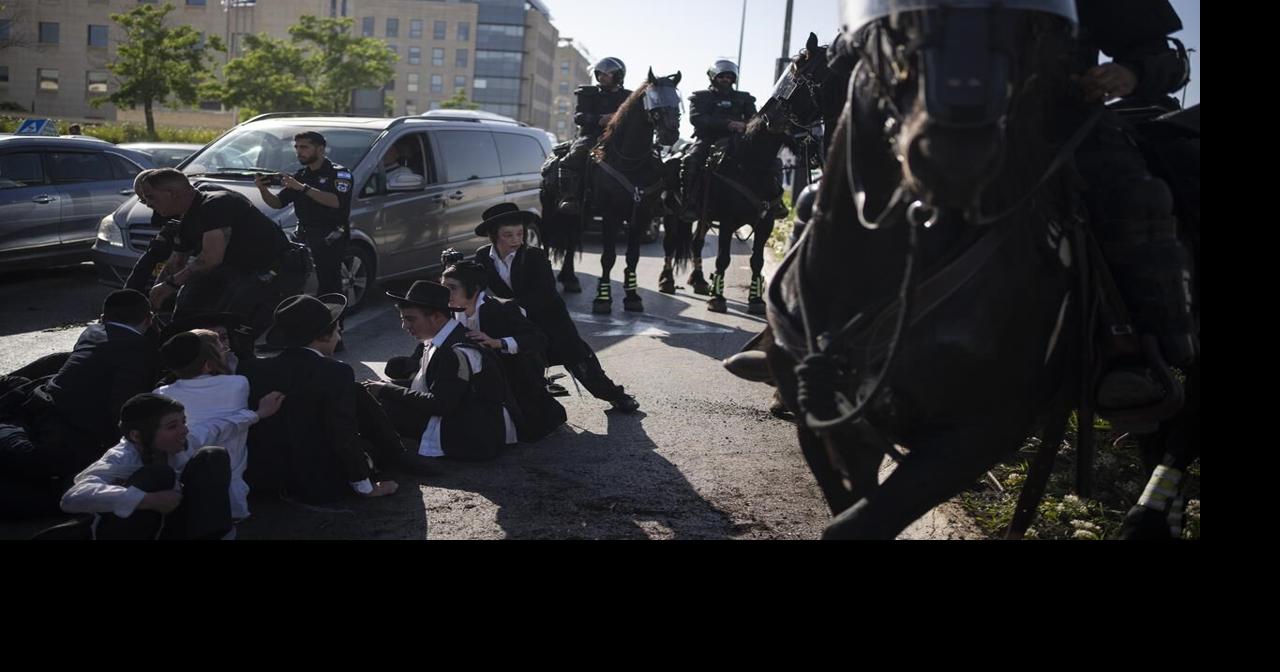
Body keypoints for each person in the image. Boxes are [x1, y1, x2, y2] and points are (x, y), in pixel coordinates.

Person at [471, 203, 640, 414]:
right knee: (520, 362)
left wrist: (511, 306)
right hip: (516, 321)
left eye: (519, 233)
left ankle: (615, 395)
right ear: (493, 236)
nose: (516, 240)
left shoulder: (534, 256)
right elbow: (474, 284)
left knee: (579, 360)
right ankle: (529, 404)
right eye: (508, 235)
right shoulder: (482, 256)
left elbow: (546, 293)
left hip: (550, 317)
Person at [243, 293, 405, 505]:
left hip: (269, 478)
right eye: (338, 331)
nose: (339, 337)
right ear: (325, 336)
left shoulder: (255, 369)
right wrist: (364, 486)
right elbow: (342, 432)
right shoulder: (335, 373)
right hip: (319, 481)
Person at [57, 391, 282, 540]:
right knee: (157, 474)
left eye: (183, 422)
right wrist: (146, 500)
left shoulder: (184, 441)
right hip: (131, 531)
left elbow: (217, 427)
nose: (184, 430)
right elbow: (73, 497)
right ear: (137, 435)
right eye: (173, 426)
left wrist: (259, 413)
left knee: (213, 455)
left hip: (173, 526)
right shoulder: (120, 457)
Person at [362, 281, 513, 462]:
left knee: (380, 409)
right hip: (461, 416)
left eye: (410, 319)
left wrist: (387, 390)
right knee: (377, 396)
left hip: (472, 433)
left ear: (436, 317)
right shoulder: (443, 338)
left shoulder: (455, 351)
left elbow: (441, 404)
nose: (404, 326)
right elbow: (429, 384)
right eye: (403, 319)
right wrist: (387, 387)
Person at [142, 169, 293, 335]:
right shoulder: (187, 218)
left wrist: (169, 285)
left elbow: (210, 259)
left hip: (272, 271)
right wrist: (154, 297)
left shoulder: (216, 203)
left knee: (231, 330)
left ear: (171, 194)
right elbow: (176, 262)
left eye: (151, 196)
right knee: (187, 308)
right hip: (237, 270)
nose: (148, 204)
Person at [442, 261, 566, 442]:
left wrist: (498, 342)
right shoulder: (447, 311)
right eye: (443, 287)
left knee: (528, 430)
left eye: (452, 288)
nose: (446, 294)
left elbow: (538, 338)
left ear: (474, 289)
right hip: (468, 378)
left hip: (511, 377)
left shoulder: (502, 308)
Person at [257, 131, 354, 298]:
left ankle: (334, 321)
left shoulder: (339, 174)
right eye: (296, 147)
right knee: (296, 281)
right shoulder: (301, 175)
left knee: (329, 285)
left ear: (321, 149)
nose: (299, 151)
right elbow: (277, 203)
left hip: (329, 237)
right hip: (303, 235)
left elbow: (336, 201)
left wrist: (302, 188)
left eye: (304, 147)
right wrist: (262, 189)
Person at [555, 57, 631, 216]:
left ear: (618, 76)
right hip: (592, 138)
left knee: (649, 156)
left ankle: (650, 198)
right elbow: (579, 117)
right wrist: (599, 119)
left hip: (621, 138)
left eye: (607, 74)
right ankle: (570, 197)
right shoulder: (588, 93)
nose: (602, 77)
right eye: (600, 74)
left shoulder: (629, 96)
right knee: (571, 159)